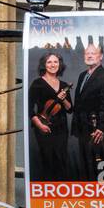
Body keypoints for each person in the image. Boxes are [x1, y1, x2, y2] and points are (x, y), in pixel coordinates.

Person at [70, 42, 104, 180]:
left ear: (101, 56)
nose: (89, 55)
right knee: (86, 165)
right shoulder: (82, 75)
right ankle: (89, 195)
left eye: (93, 53)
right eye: (87, 53)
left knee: (101, 165)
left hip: (97, 129)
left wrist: (102, 128)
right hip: (82, 128)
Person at [28, 51, 72, 180]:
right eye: (49, 62)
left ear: (60, 65)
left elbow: (70, 109)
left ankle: (59, 193)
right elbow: (29, 108)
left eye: (56, 62)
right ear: (44, 65)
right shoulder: (37, 83)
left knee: (61, 159)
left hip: (61, 128)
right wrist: (39, 125)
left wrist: (63, 99)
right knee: (47, 159)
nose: (53, 65)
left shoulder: (64, 86)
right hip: (43, 125)